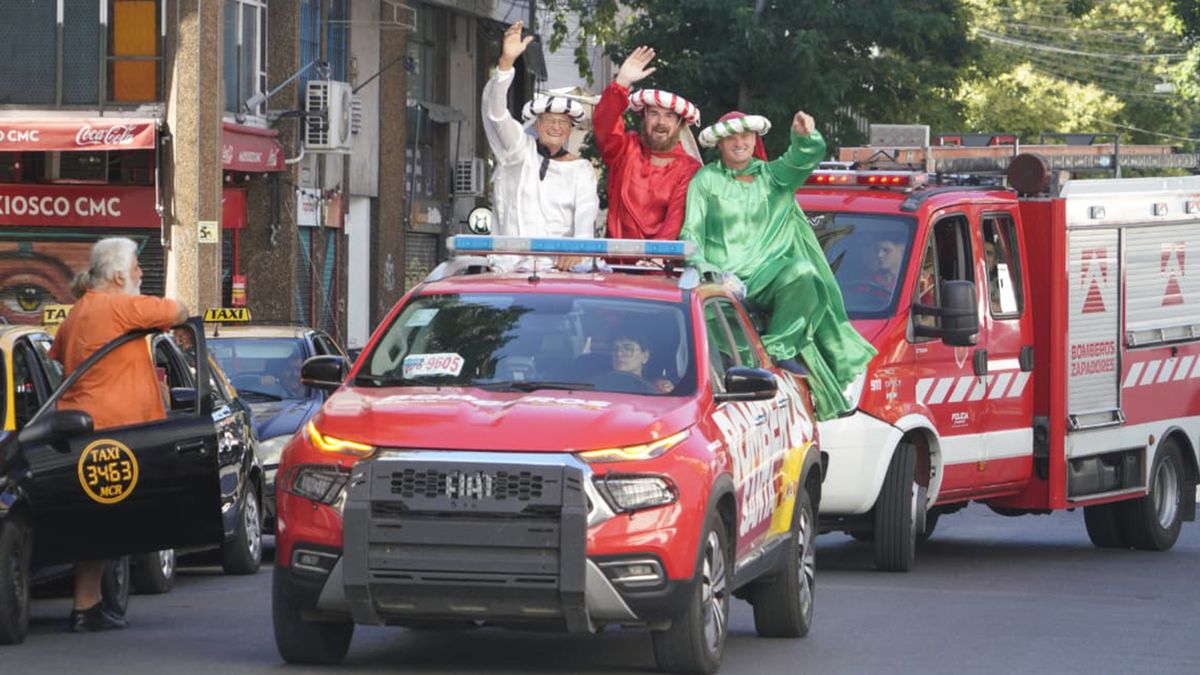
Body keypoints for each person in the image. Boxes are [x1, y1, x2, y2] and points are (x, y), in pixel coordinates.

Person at [679, 110, 876, 420]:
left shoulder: (773, 176)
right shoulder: (705, 180)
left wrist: (805, 137)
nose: (739, 142)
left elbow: (803, 159)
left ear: (754, 139)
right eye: (731, 137)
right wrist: (705, 267)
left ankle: (775, 350)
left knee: (803, 272)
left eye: (745, 135)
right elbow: (691, 233)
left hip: (767, 277)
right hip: (722, 282)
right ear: (719, 143)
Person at [48, 237, 189, 632]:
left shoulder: (80, 311)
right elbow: (178, 311)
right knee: (104, 524)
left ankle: (88, 605)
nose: (142, 273)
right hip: (114, 436)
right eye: (137, 267)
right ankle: (88, 607)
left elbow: (57, 353)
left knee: (98, 524)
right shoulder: (118, 307)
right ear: (117, 276)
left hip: (88, 433)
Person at [481, 21, 598, 272]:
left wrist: (578, 250)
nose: (556, 127)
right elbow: (497, 115)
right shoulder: (517, 151)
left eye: (562, 122)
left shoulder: (582, 170)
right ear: (536, 124)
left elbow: (586, 214)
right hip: (509, 272)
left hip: (561, 274)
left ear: (570, 129)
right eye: (549, 121)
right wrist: (506, 63)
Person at [592, 46, 702, 241]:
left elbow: (675, 222)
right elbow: (604, 125)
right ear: (643, 117)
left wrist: (653, 255)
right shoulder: (626, 149)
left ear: (680, 124)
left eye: (669, 116)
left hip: (662, 258)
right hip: (617, 257)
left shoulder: (689, 169)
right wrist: (622, 82)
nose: (661, 122)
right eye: (654, 113)